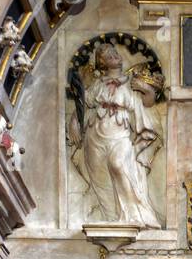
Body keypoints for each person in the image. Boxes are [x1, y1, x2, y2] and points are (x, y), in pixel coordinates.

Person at [68, 42, 162, 226]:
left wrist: (146, 88)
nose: (113, 55)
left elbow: (148, 102)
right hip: (96, 133)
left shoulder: (131, 81)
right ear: (102, 63)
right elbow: (83, 103)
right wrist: (73, 122)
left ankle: (133, 216)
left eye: (114, 52)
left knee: (118, 165)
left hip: (121, 133)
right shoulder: (97, 84)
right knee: (100, 176)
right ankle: (111, 217)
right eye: (107, 55)